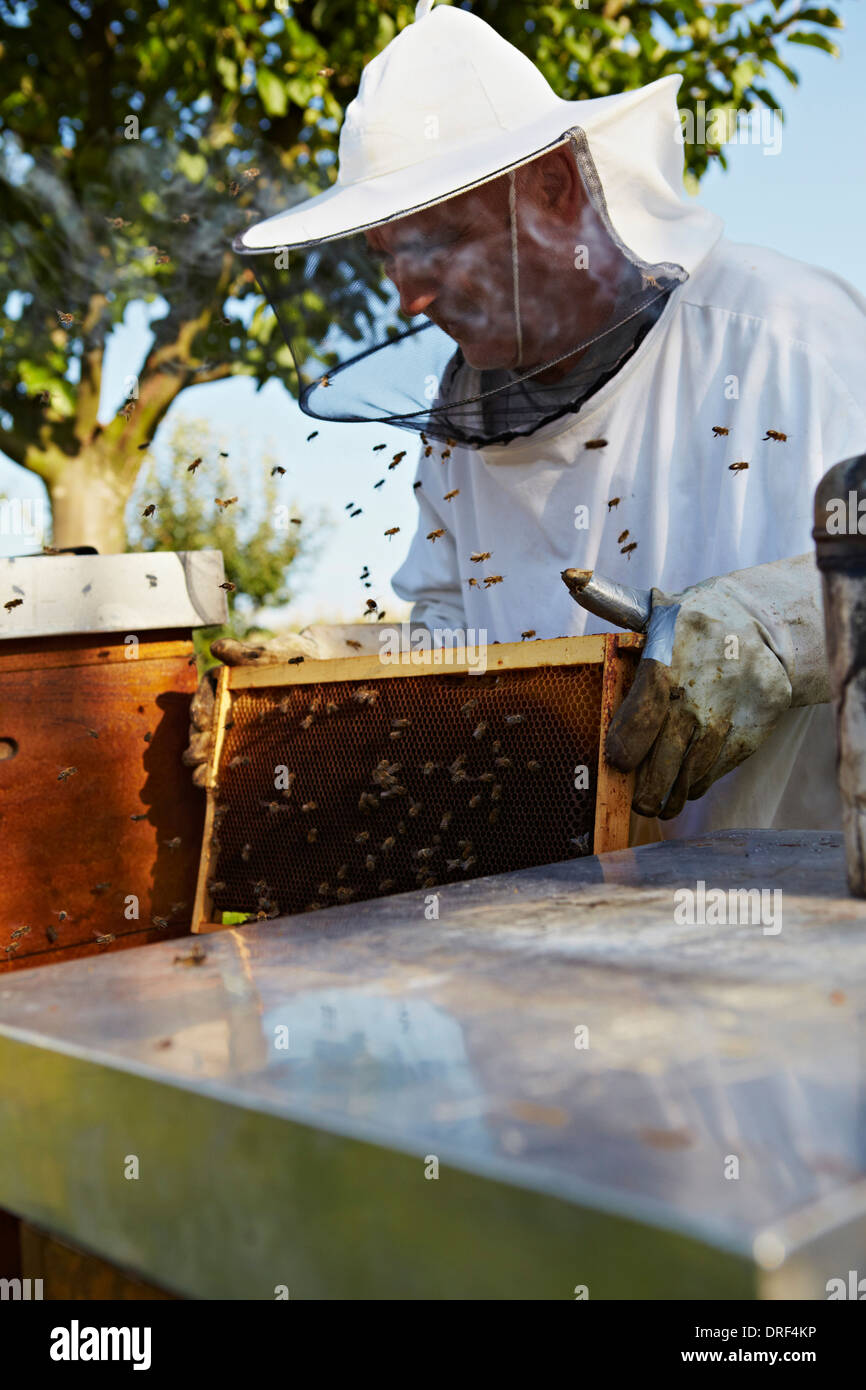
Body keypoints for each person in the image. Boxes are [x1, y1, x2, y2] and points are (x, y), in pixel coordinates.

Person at [187, 0, 866, 844]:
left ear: (553, 185)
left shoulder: (791, 335)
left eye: (439, 241)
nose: (409, 294)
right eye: (388, 255)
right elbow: (453, 639)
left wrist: (780, 627)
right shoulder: (459, 421)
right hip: (544, 935)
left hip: (802, 932)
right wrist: (336, 675)